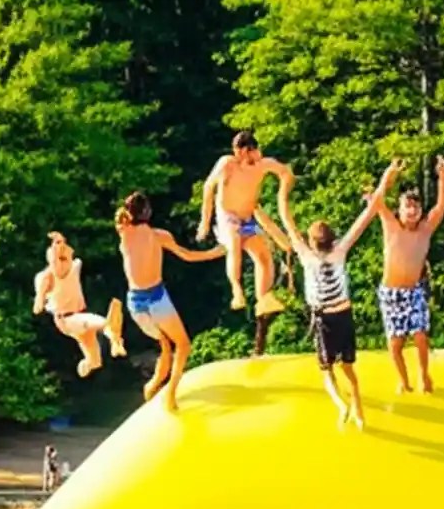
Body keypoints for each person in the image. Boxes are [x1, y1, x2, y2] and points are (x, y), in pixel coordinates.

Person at [252, 165, 387, 428]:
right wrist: (387, 178)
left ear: (312, 242)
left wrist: (282, 189)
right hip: (343, 314)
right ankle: (357, 408)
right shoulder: (341, 250)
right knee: (348, 368)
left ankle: (342, 404)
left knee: (327, 370)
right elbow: (368, 215)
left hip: (325, 318)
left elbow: (286, 220)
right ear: (332, 240)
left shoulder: (306, 255)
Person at [117, 191, 226, 411]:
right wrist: (217, 252)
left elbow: (121, 216)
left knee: (165, 344)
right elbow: (187, 255)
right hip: (156, 298)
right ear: (148, 212)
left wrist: (126, 212)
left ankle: (153, 384)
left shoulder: (124, 233)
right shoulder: (160, 236)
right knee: (183, 345)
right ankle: (170, 394)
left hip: (135, 303)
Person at [196, 130, 296, 354]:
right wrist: (204, 221)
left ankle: (263, 299)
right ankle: (236, 290)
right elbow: (208, 187)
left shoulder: (262, 163)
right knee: (233, 244)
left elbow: (285, 172)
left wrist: (284, 191)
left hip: (248, 217)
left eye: (245, 154)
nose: (243, 158)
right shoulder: (227, 164)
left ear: (250, 150)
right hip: (227, 216)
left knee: (264, 255)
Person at [375, 156, 444, 394]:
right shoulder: (391, 225)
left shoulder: (425, 230)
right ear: (400, 210)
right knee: (395, 343)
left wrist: (443, 178)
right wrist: (389, 174)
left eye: (416, 207)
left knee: (419, 335)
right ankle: (403, 380)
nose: (412, 211)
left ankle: (424, 375)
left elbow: (440, 207)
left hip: (414, 291)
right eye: (408, 206)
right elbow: (377, 201)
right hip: (391, 293)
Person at [32, 232, 126, 377]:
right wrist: (39, 299)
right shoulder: (46, 276)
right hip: (67, 320)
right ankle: (114, 339)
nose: (61, 265)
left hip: (79, 315)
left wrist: (60, 243)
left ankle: (87, 363)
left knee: (96, 361)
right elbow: (44, 285)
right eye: (57, 260)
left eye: (64, 259)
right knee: (103, 323)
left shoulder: (74, 265)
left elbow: (65, 253)